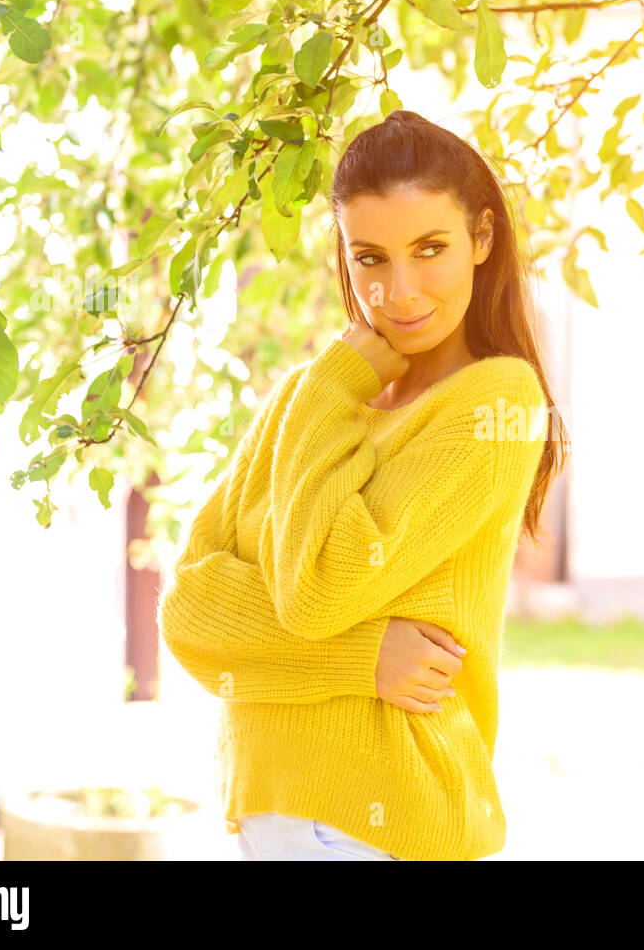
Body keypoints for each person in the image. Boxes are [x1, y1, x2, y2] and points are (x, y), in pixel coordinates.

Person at [158, 110, 570, 861]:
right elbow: (187, 610)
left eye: (430, 249)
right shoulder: (311, 400)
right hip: (271, 810)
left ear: (481, 239)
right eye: (370, 257)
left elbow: (318, 586)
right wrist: (364, 657)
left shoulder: (496, 403)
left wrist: (299, 629)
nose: (398, 290)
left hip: (382, 824)